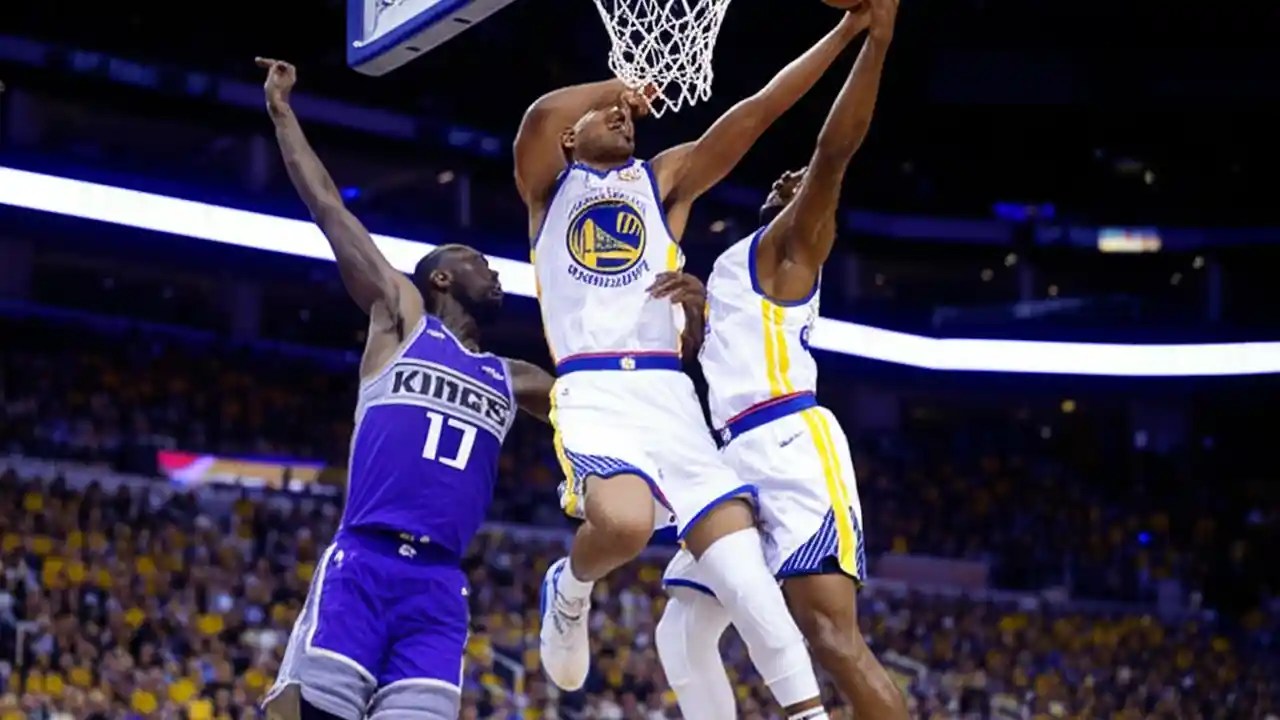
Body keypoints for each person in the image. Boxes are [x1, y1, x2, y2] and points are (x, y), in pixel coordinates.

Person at [515, 10, 870, 719]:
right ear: (570, 137)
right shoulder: (549, 188)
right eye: (605, 114)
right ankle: (571, 588)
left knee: (748, 583)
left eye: (627, 114)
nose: (622, 117)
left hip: (667, 393)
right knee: (624, 527)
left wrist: (847, 34)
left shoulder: (663, 180)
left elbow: (759, 112)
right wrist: (619, 83)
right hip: (593, 387)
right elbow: (539, 115)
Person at [253, 59, 554, 720]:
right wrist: (281, 111)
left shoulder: (513, 378)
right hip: (364, 563)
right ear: (440, 279)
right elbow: (329, 207)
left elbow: (599, 400)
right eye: (474, 260)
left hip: (439, 587)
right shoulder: (402, 319)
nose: (491, 268)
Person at [654, 0, 909, 717]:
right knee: (682, 629)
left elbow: (834, 150)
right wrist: (698, 314)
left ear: (816, 210)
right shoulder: (739, 266)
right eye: (788, 178)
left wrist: (876, 39)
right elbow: (710, 366)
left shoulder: (796, 246)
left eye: (806, 186)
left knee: (831, 636)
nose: (792, 177)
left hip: (791, 444)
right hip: (732, 456)